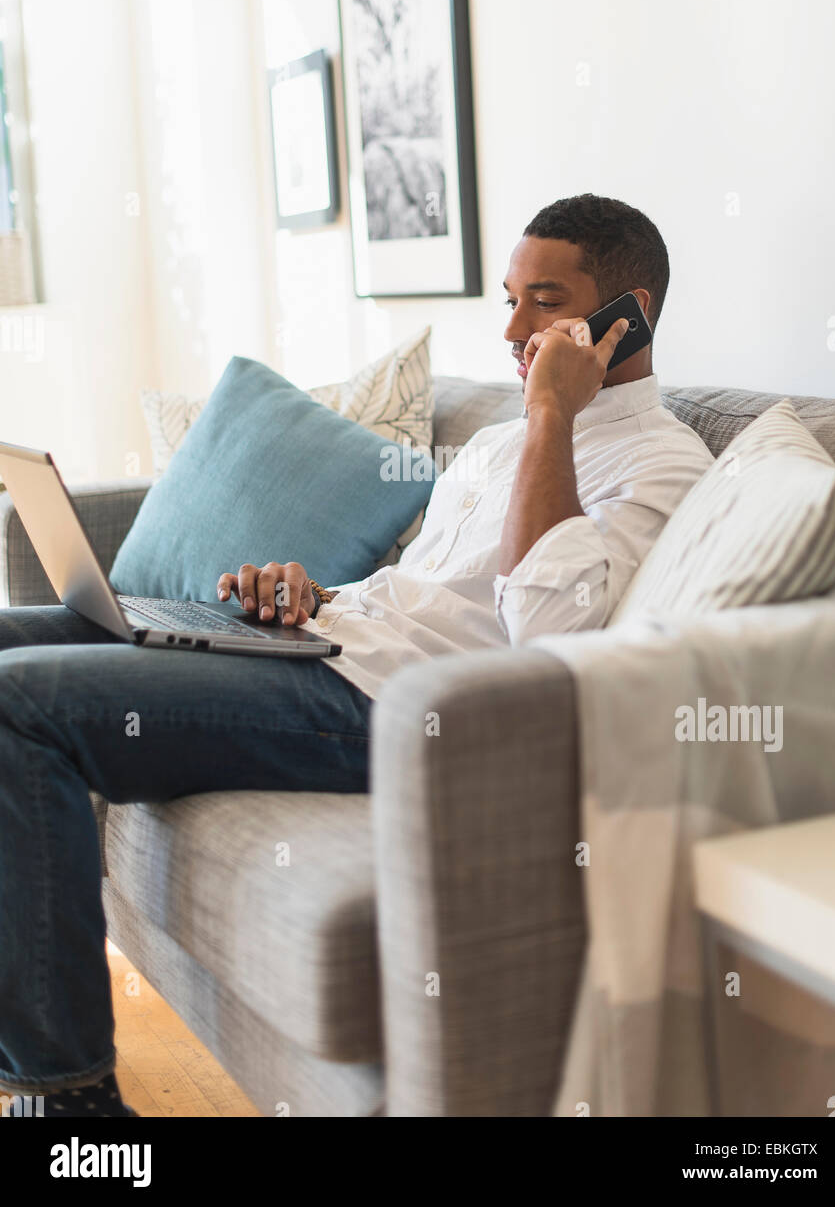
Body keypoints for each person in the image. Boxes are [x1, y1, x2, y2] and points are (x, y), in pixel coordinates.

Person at [0, 194, 713, 1116]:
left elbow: (545, 636)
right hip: (325, 643)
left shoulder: (664, 463)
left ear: (628, 316)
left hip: (384, 702)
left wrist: (551, 417)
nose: (512, 330)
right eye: (508, 299)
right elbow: (427, 589)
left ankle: (68, 1105)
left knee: (18, 704)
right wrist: (310, 594)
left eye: (543, 302)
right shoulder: (497, 444)